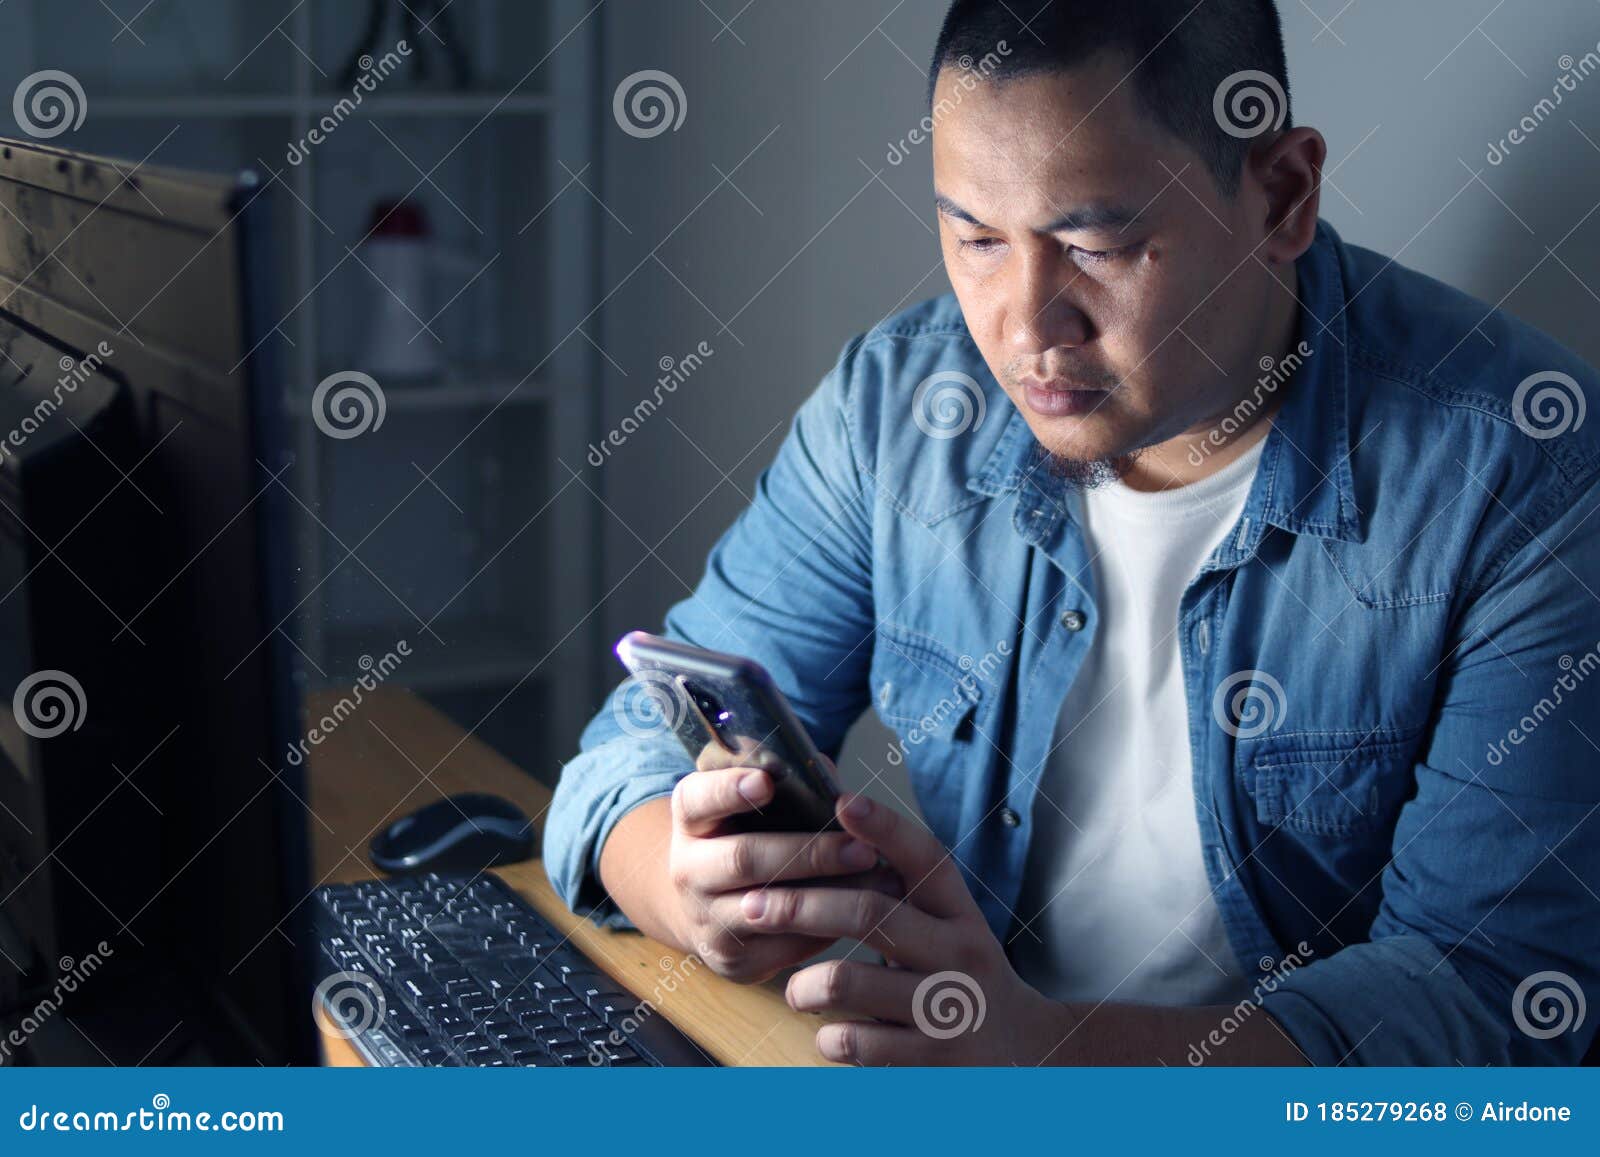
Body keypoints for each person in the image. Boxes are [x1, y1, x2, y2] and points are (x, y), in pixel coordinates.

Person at [547, 0, 1600, 1065]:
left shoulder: (1524, 472)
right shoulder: (897, 410)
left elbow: (1495, 1001)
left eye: (1097, 245)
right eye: (973, 238)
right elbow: (626, 758)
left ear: (1280, 194)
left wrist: (1043, 1055)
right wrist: (689, 889)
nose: (1021, 326)